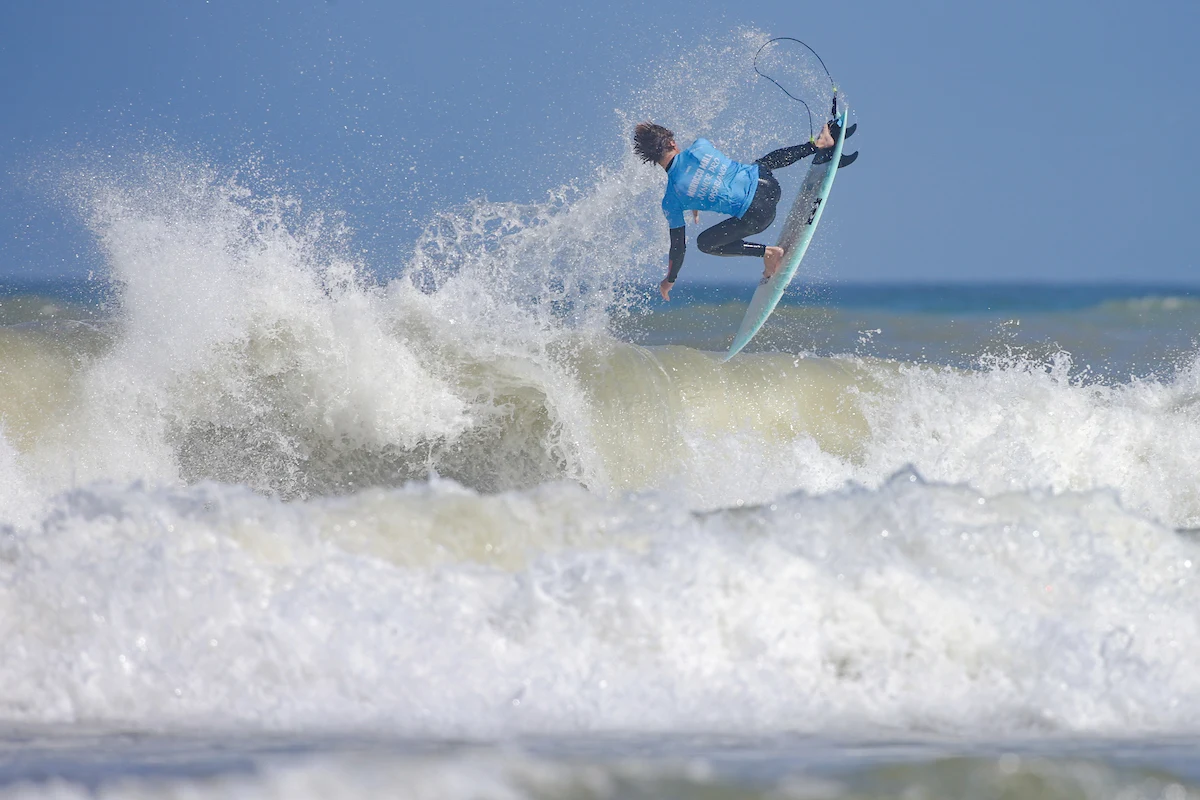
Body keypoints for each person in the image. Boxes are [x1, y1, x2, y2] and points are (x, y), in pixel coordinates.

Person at [634, 121, 836, 300]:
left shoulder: (671, 200)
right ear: (671, 143)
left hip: (759, 216)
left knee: (704, 243)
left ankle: (767, 253)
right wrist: (694, 200)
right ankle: (817, 145)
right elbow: (708, 176)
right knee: (760, 164)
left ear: (652, 159)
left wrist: (670, 279)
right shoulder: (700, 145)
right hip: (768, 185)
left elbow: (678, 247)